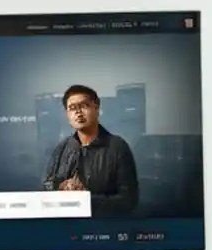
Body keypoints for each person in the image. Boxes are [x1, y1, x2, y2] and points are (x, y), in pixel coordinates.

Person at [41, 84, 139, 216]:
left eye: (84, 106)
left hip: (103, 226)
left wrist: (84, 199)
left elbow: (129, 200)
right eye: (72, 108)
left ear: (97, 108)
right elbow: (46, 187)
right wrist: (61, 188)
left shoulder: (118, 147)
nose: (78, 112)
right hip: (65, 226)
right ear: (67, 114)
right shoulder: (62, 148)